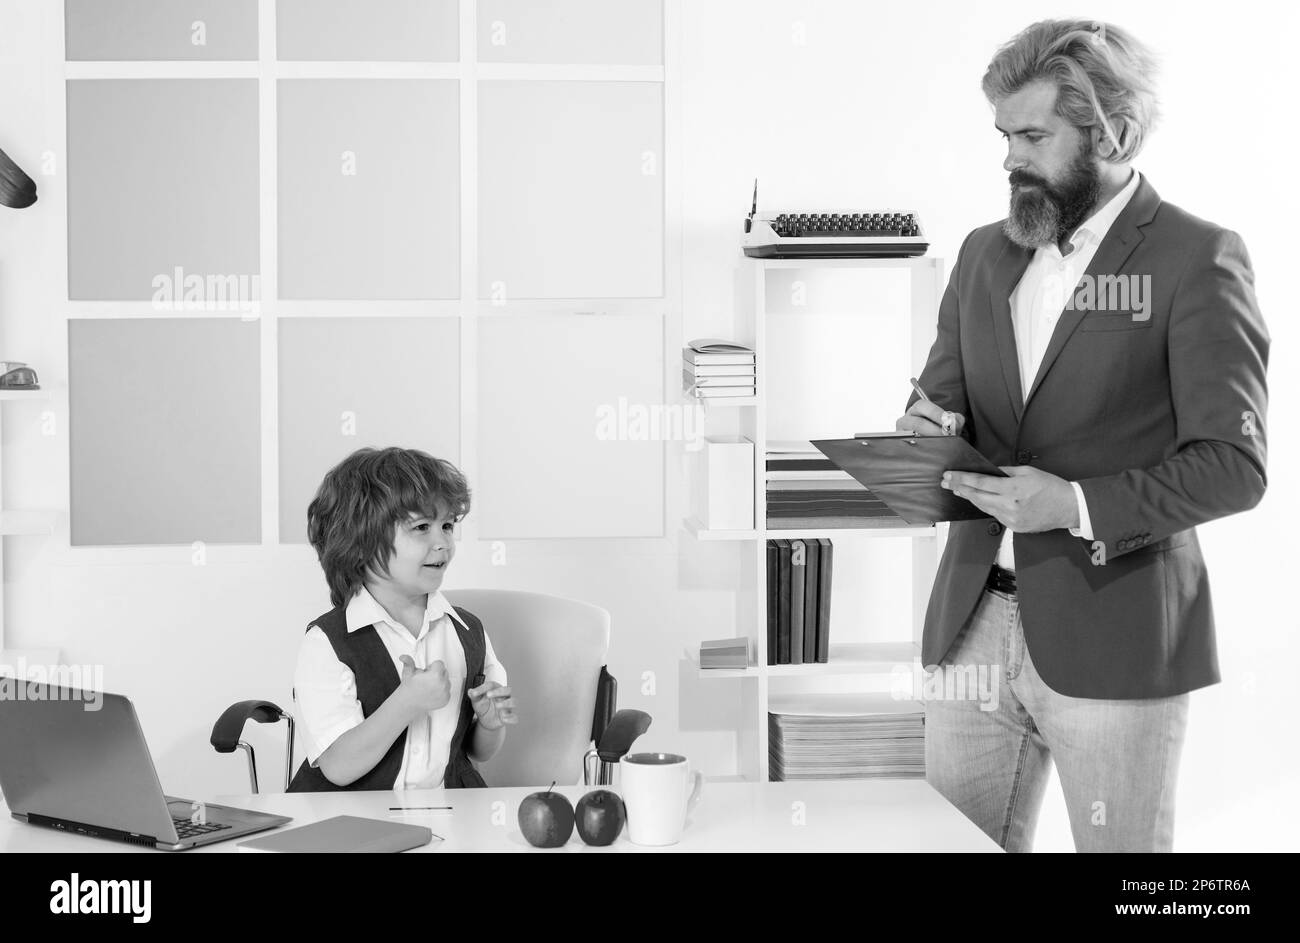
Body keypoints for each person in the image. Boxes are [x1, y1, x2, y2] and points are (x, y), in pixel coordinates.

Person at [897, 19, 1268, 851]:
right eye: (1003, 135)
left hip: (1117, 632)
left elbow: (1234, 465)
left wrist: (1071, 503)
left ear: (1116, 132)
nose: (1009, 159)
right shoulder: (983, 255)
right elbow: (943, 396)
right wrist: (927, 427)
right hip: (972, 628)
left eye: (1033, 135)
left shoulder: (1198, 258)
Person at [288, 447, 518, 791]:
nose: (442, 542)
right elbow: (338, 765)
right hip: (350, 824)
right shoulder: (327, 643)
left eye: (447, 526)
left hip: (444, 818)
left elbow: (478, 752)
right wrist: (406, 703)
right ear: (361, 541)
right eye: (422, 527)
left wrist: (489, 723)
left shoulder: (468, 632)